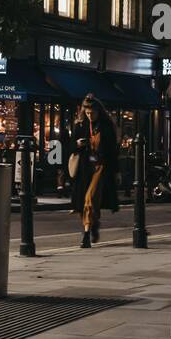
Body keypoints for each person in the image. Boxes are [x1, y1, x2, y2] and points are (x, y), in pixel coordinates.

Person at [69, 95, 119, 249]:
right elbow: (70, 146)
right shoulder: (80, 125)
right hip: (84, 167)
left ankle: (86, 235)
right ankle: (93, 224)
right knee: (82, 202)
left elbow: (113, 151)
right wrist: (77, 144)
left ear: (99, 111)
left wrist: (116, 171)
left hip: (101, 166)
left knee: (90, 198)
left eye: (92, 113)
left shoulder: (106, 126)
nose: (90, 116)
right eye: (87, 113)